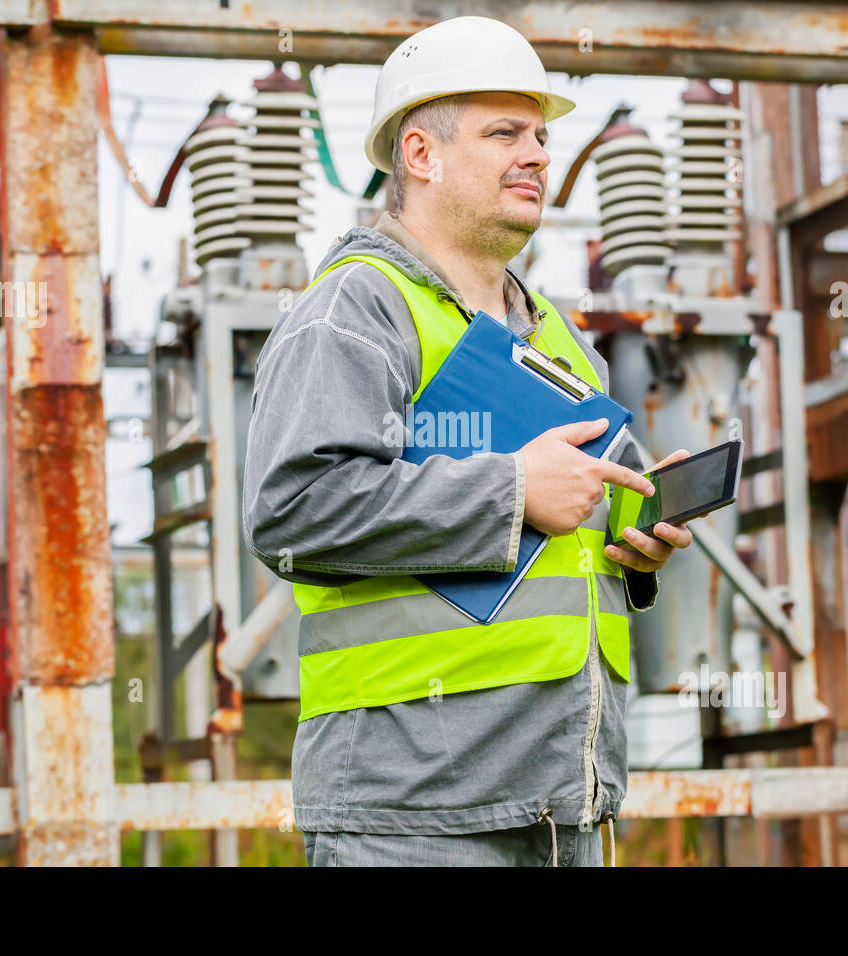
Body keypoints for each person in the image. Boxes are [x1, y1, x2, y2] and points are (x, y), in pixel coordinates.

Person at [242, 15, 692, 867]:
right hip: (409, 818)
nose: (536, 154)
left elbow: (564, 547)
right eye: (504, 133)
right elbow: (291, 511)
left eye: (540, 135)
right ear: (421, 155)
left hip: (562, 806)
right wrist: (513, 492)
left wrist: (634, 539)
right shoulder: (355, 311)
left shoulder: (558, 335)